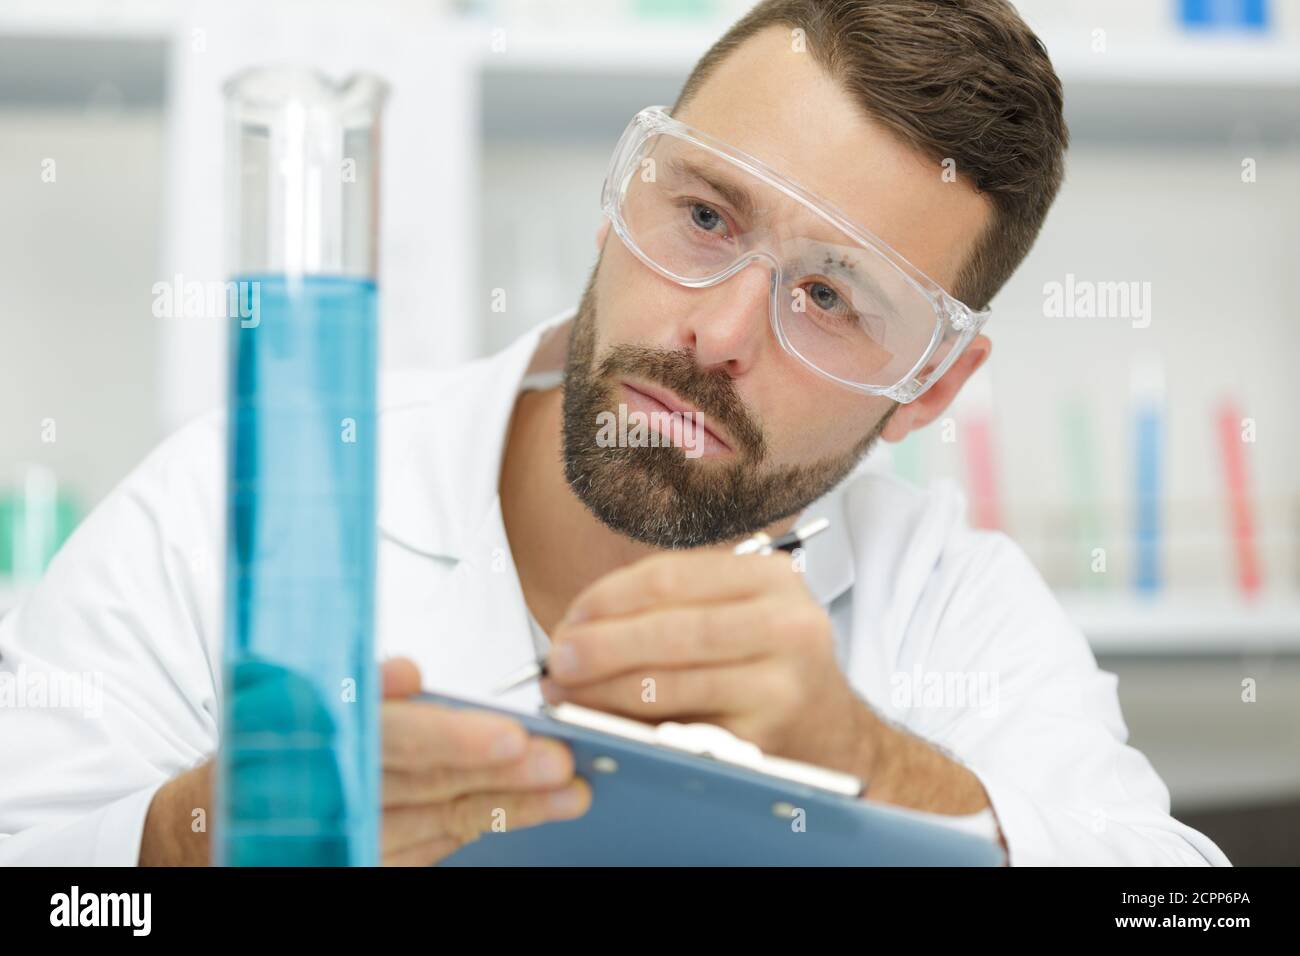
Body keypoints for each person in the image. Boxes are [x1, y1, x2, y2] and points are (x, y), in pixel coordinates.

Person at [0, 0, 1228, 866]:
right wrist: (192, 834)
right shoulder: (228, 499)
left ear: (931, 385)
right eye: (702, 214)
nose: (716, 330)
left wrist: (870, 767)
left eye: (831, 296)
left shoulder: (951, 606)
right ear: (617, 195)